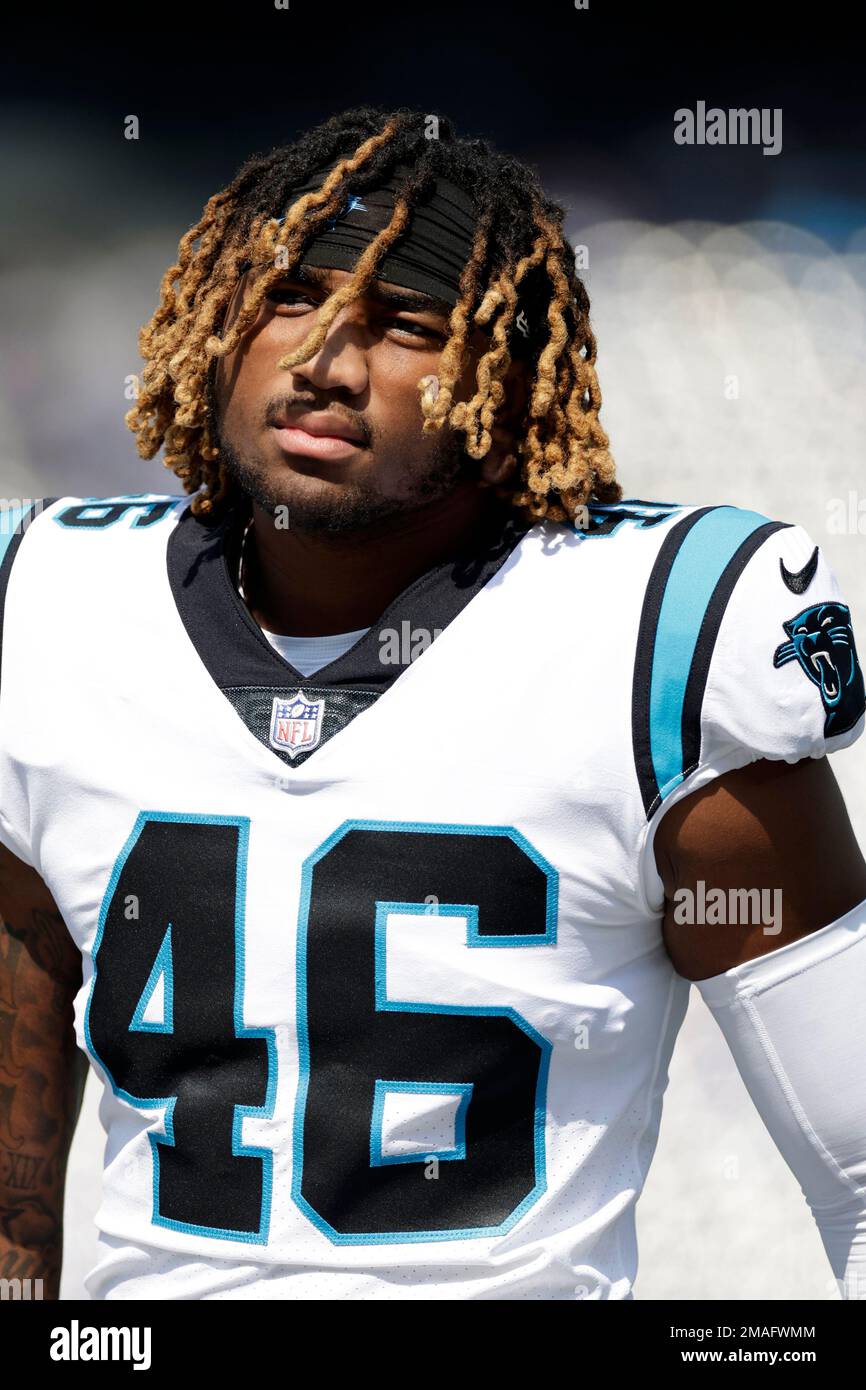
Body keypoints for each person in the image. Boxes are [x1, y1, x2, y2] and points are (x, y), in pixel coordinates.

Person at [1, 106, 865, 1301]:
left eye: (404, 326)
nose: (324, 364)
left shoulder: (649, 639)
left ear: (503, 383)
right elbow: (10, 1211)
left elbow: (860, 1173)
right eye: (288, 299)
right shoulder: (46, 609)